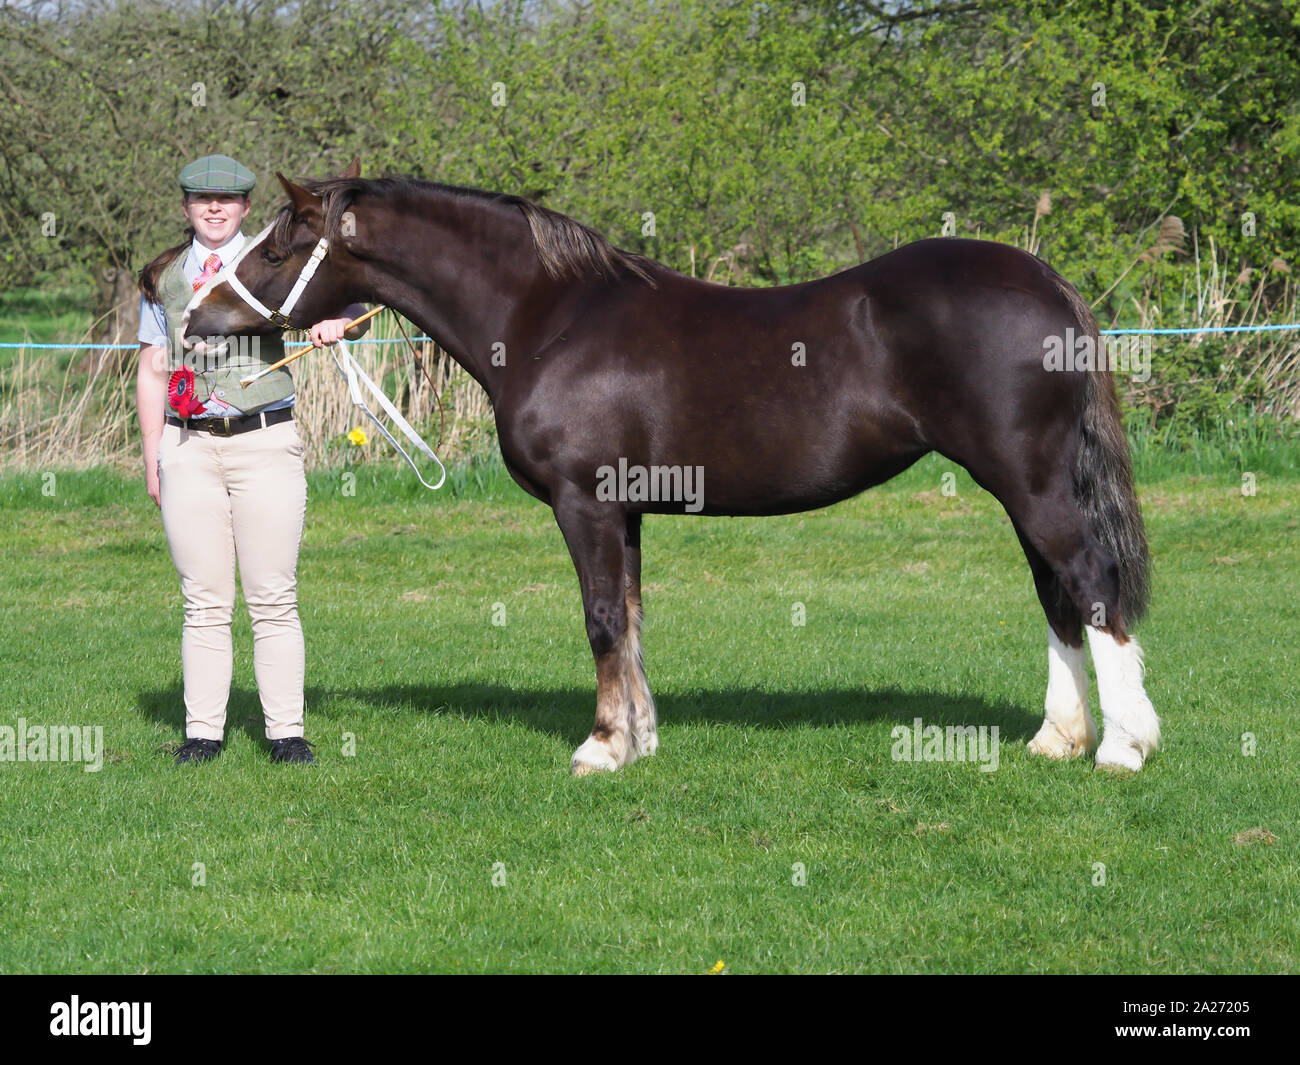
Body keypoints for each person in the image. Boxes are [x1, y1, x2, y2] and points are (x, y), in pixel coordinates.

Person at [136, 154, 368, 765]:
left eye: (227, 200)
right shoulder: (165, 276)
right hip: (187, 447)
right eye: (201, 199)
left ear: (244, 206)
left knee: (272, 596)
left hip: (264, 442)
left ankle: (285, 733)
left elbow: (351, 299)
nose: (214, 208)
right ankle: (203, 735)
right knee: (203, 599)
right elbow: (152, 367)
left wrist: (338, 324)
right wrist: (152, 452)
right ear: (186, 207)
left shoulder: (276, 256)